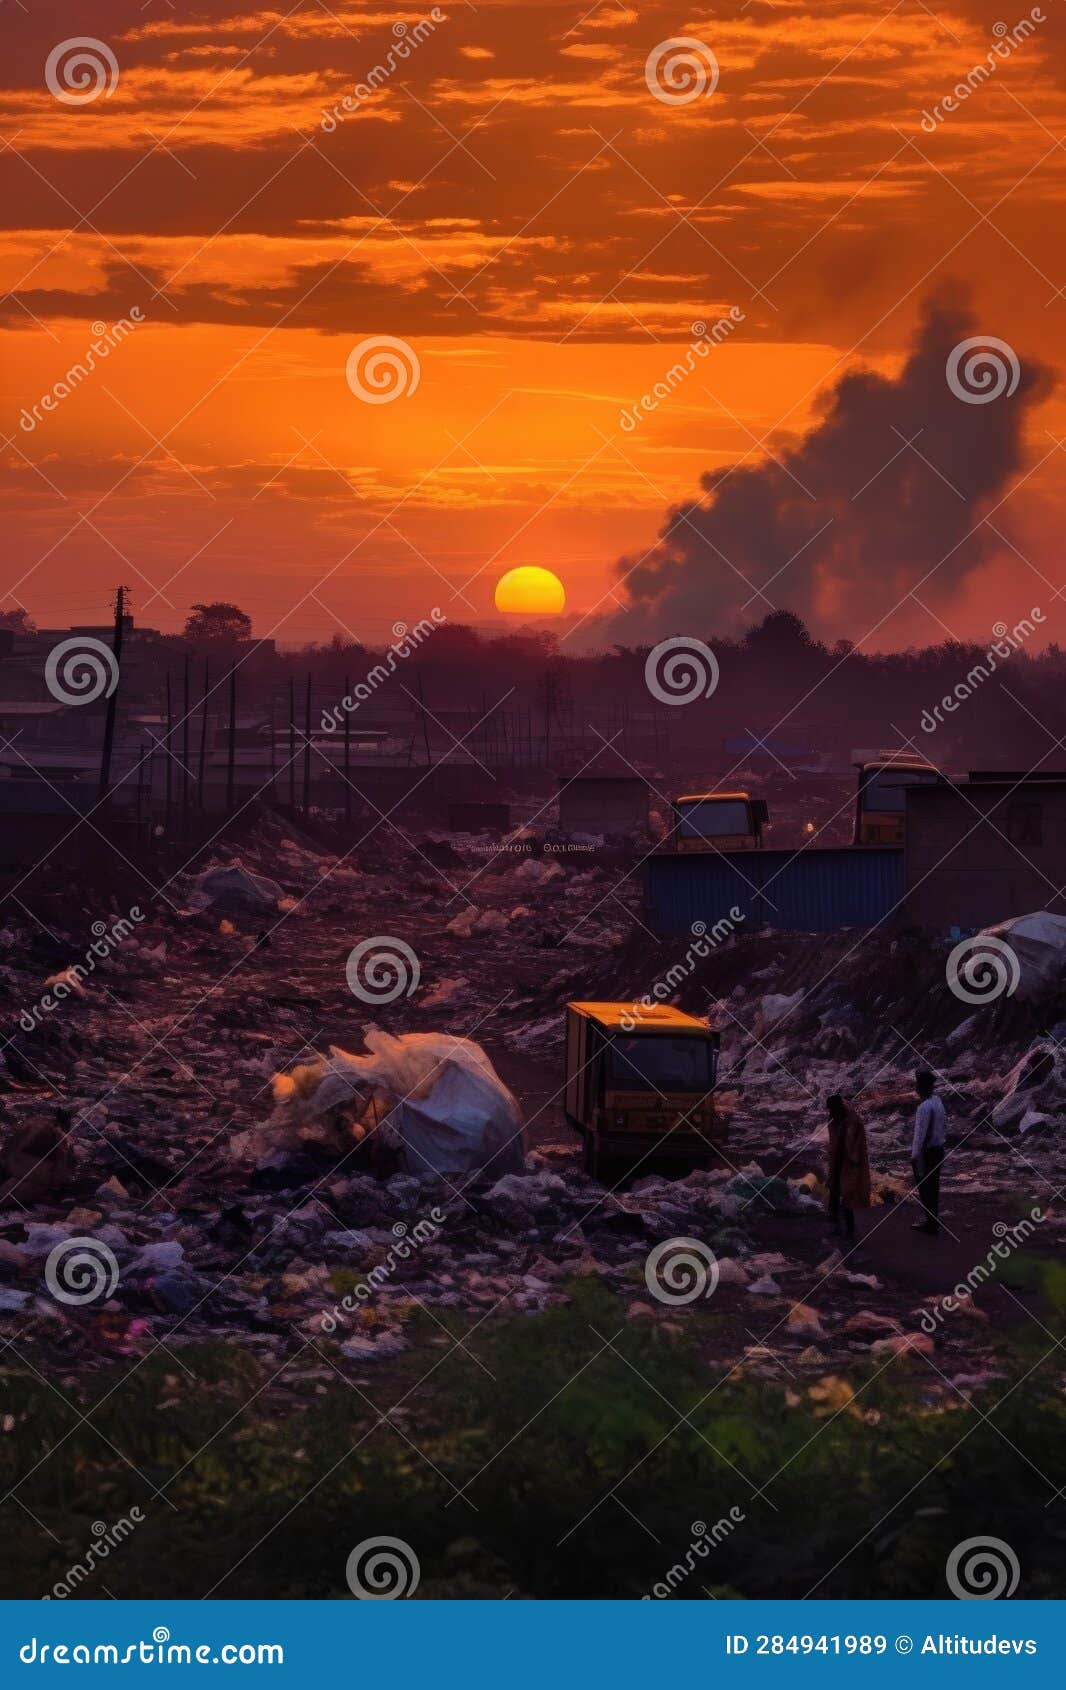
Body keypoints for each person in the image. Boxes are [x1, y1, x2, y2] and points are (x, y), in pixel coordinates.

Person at [825, 1094, 871, 1242]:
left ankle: (849, 1231)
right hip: (838, 1162)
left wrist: (851, 1159)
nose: (830, 1113)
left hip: (849, 1164)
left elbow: (855, 1147)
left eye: (832, 1110)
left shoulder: (852, 1121)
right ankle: (837, 1228)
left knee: (847, 1196)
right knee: (834, 1194)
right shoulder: (835, 1119)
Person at [911, 1069, 947, 1235]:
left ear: (922, 1087)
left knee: (925, 1188)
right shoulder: (938, 1101)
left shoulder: (924, 1107)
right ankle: (932, 1220)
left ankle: (931, 1223)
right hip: (938, 1149)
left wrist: (916, 1156)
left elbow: (921, 1135)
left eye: (918, 1086)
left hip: (927, 1153)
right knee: (933, 1187)